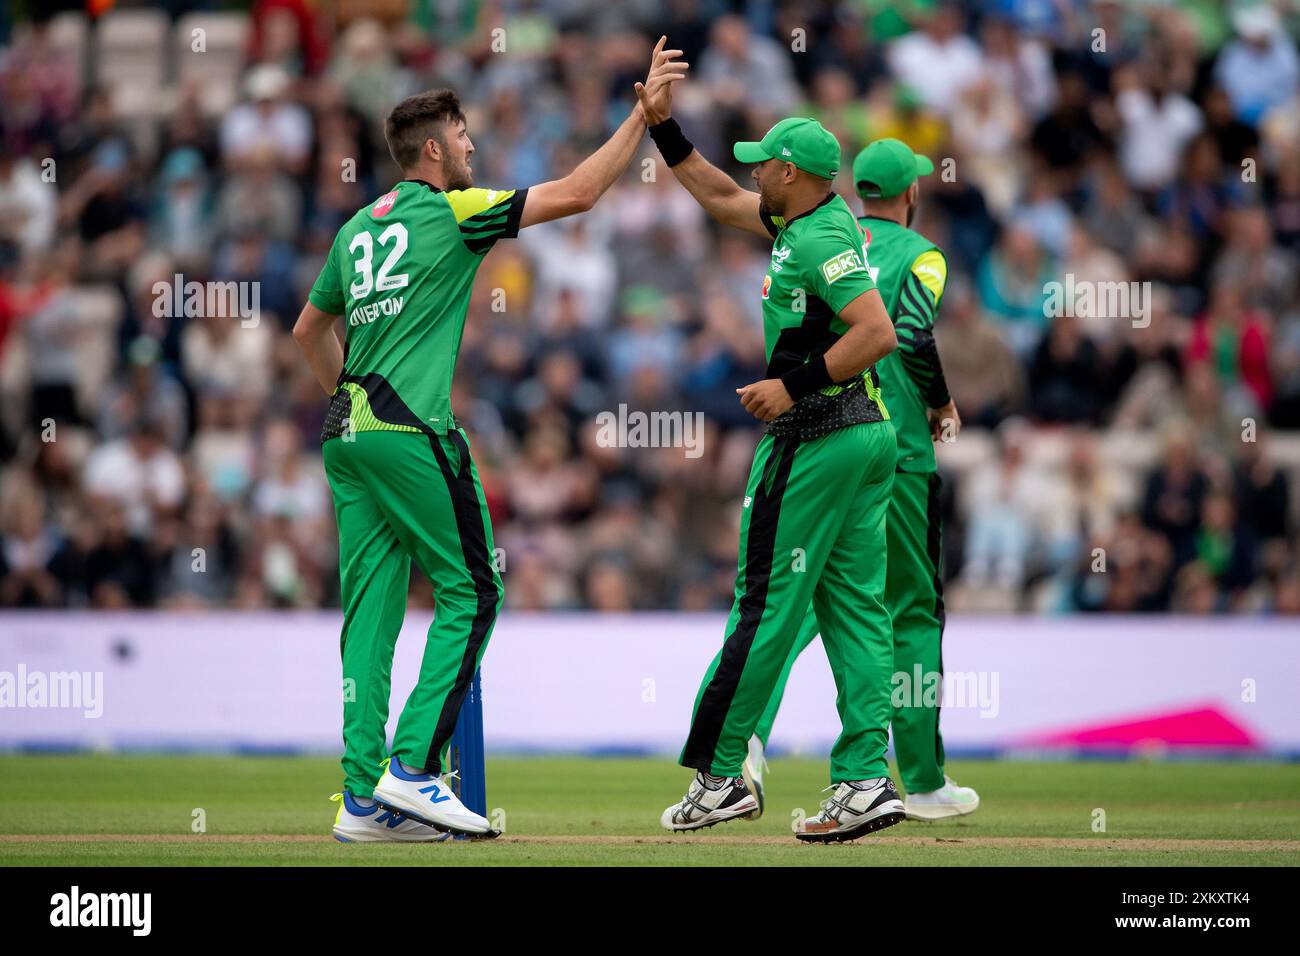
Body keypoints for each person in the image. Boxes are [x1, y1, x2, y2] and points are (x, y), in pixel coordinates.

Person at [294, 40, 687, 842]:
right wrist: (641, 118)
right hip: (410, 430)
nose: (474, 147)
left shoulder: (353, 231)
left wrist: (344, 398)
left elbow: (308, 331)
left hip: (347, 436)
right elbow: (577, 193)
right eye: (465, 136)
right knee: (475, 590)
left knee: (369, 618)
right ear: (434, 150)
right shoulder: (453, 210)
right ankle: (412, 771)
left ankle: (362, 803)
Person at [637, 77, 906, 842]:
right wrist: (663, 128)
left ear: (791, 172)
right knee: (854, 608)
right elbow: (719, 197)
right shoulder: (811, 221)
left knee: (762, 604)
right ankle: (863, 780)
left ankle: (722, 774)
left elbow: (876, 332)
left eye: (764, 163)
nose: (754, 171)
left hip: (817, 434)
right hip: (865, 434)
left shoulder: (817, 238)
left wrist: (791, 388)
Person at [745, 138, 979, 822]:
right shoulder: (923, 254)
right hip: (898, 451)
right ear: (910, 193)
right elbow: (907, 331)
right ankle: (923, 778)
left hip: (822, 439)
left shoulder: (828, 228)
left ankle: (746, 741)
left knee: (793, 601)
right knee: (908, 612)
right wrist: (939, 403)